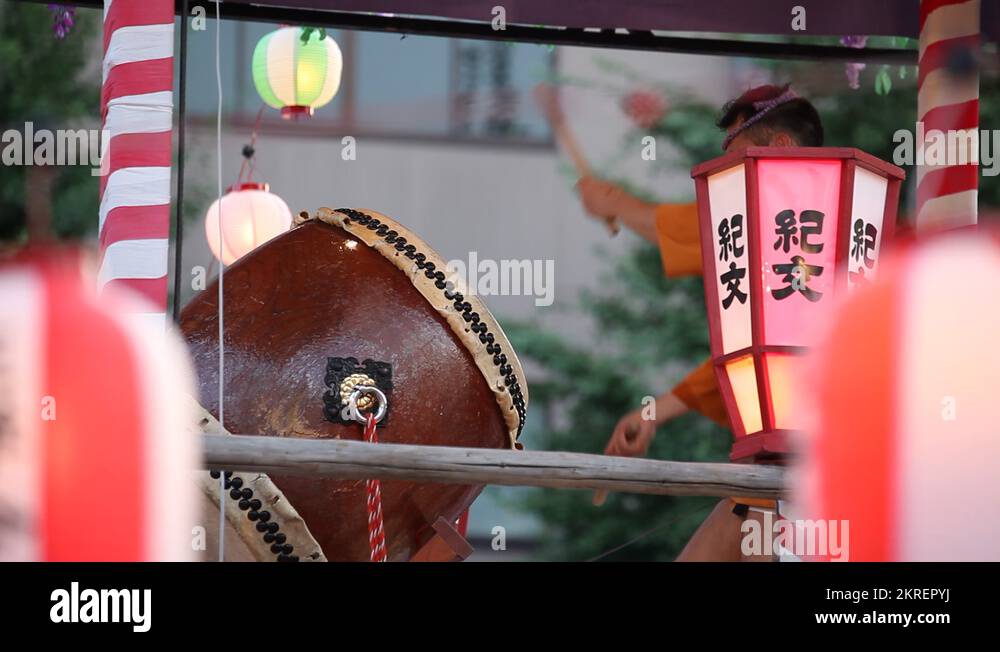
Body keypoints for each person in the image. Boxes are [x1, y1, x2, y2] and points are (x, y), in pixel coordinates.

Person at [575, 84, 824, 561]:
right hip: (779, 462)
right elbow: (752, 362)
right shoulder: (831, 220)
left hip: (820, 466)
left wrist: (615, 205)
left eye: (736, 157)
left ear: (781, 149)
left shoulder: (804, 216)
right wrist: (651, 414)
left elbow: (698, 231)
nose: (728, 173)